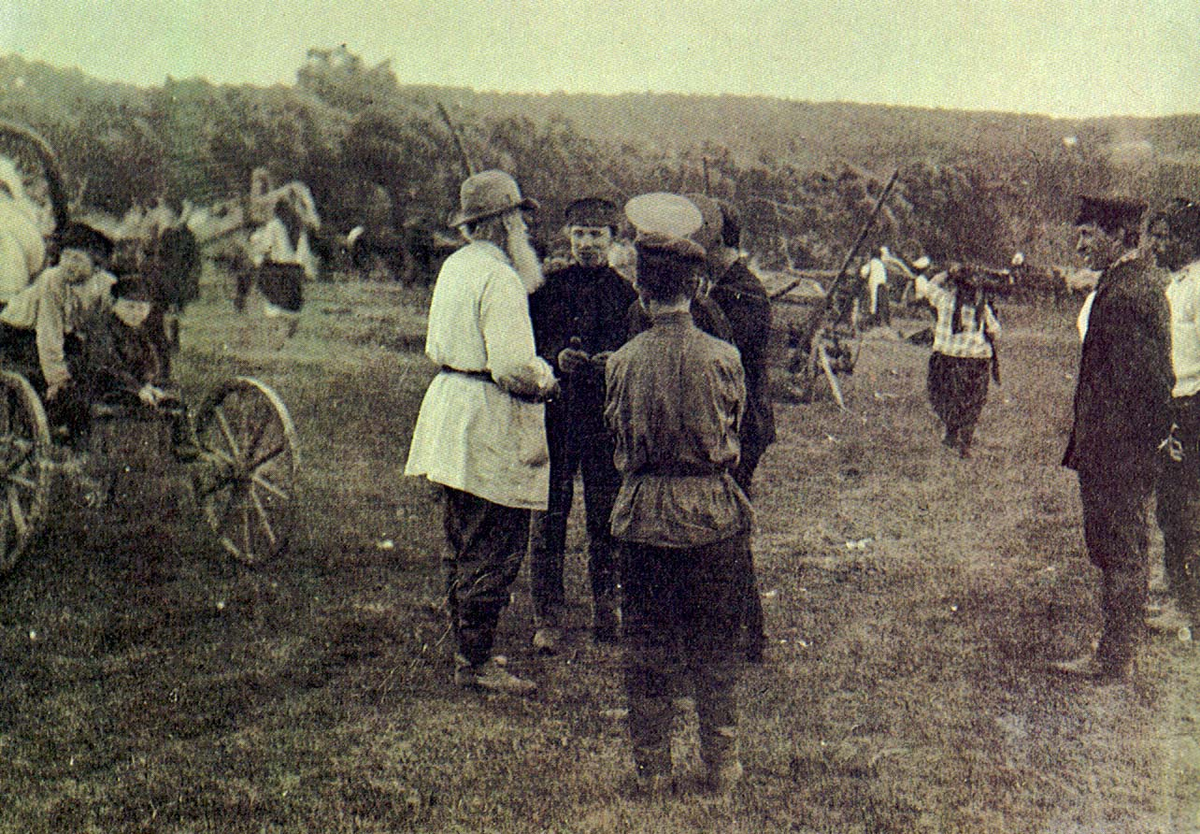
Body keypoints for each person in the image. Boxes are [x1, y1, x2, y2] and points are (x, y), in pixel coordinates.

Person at [605, 224, 753, 796]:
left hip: (642, 514)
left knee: (647, 647)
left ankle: (653, 768)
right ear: (694, 290)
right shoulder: (725, 357)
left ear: (642, 292)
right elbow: (735, 432)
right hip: (712, 515)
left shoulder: (621, 361)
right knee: (716, 642)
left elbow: (616, 437)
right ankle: (722, 765)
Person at [404, 170, 558, 696]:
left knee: (462, 535)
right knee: (494, 541)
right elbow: (513, 367)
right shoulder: (501, 278)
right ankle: (477, 658)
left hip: (451, 407)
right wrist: (548, 379)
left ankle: (465, 645)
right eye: (517, 217)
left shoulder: (455, 267)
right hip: (487, 415)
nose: (523, 228)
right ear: (501, 223)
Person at [1054, 196, 1173, 683]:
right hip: (1112, 447)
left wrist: (1136, 450)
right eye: (1079, 233)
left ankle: (1115, 658)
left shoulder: (1128, 292)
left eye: (1090, 234)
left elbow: (1148, 383)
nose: (1080, 243)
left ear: (1122, 236)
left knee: (1120, 550)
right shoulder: (1125, 283)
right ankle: (1116, 651)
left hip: (1119, 451)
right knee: (1113, 548)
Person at [527, 197, 636, 651]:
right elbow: (528, 344)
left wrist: (617, 361)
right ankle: (548, 615)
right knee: (550, 515)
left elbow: (638, 352)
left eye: (597, 235)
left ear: (613, 239)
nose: (587, 244)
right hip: (557, 416)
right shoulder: (547, 289)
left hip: (603, 421)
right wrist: (556, 357)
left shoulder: (627, 296)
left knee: (605, 516)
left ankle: (605, 608)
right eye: (579, 235)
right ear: (567, 238)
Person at [0, 222, 117, 441]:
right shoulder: (52, 281)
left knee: (83, 370)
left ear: (96, 267)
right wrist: (57, 380)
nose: (69, 265)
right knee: (45, 377)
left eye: (78, 260)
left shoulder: (106, 285)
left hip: (62, 332)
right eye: (67, 256)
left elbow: (103, 330)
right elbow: (48, 336)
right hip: (15, 331)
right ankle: (43, 426)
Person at [1150, 198, 1200, 632]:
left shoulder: (1199, 285)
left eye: (1166, 236)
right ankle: (1175, 590)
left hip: (1192, 407)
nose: (1157, 244)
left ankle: (1187, 604)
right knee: (1170, 505)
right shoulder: (1173, 284)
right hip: (1173, 404)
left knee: (1185, 507)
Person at [914, 263, 1001, 458]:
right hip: (976, 360)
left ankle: (951, 434)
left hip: (947, 359)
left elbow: (929, 286)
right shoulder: (982, 308)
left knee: (948, 398)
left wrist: (947, 273)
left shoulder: (944, 300)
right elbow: (995, 331)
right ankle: (965, 445)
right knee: (971, 402)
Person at [246, 195, 317, 343]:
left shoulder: (274, 225)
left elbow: (266, 247)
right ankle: (287, 332)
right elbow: (304, 251)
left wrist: (253, 243)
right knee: (291, 305)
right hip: (294, 269)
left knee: (275, 304)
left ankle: (278, 337)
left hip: (279, 268)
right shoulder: (299, 225)